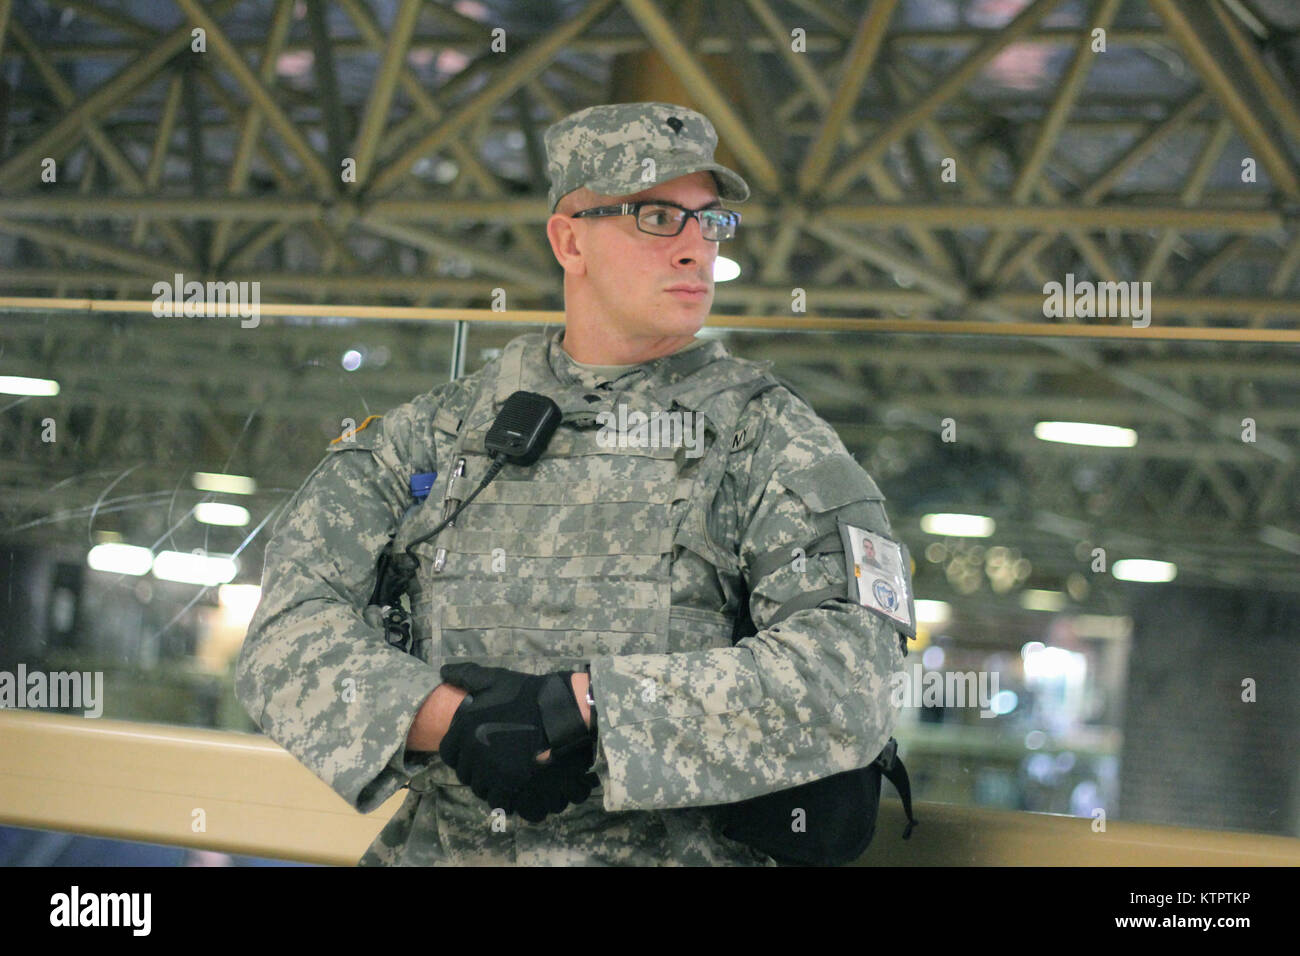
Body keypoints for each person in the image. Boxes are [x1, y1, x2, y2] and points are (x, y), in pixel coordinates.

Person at [235, 102, 912, 866]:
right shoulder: (435, 436)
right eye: (658, 217)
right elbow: (284, 633)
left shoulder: (768, 441)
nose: (698, 251)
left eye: (710, 222)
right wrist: (451, 723)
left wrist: (583, 710)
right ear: (569, 239)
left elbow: (850, 678)